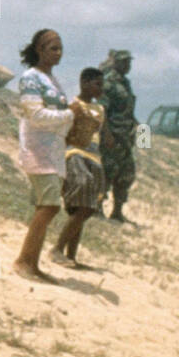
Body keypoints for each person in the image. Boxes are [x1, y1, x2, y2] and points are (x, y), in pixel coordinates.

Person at [13, 30, 70, 282]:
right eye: (52, 48)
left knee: (45, 206)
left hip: (54, 150)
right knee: (49, 206)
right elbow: (35, 115)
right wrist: (69, 116)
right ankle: (24, 261)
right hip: (37, 149)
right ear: (39, 49)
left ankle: (32, 262)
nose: (58, 53)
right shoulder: (30, 78)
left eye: (60, 49)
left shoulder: (52, 79)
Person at [56, 68, 106, 268]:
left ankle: (71, 256)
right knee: (83, 204)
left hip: (95, 158)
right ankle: (57, 249)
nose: (101, 89)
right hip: (75, 154)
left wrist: (141, 136)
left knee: (85, 206)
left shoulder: (101, 109)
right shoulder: (74, 106)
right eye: (98, 85)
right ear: (84, 83)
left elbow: (106, 136)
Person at [98, 49, 138, 222]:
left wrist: (137, 127)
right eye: (124, 62)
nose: (127, 65)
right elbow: (102, 111)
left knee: (126, 174)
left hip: (125, 138)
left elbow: (128, 110)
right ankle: (97, 208)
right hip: (112, 136)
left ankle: (117, 211)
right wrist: (107, 135)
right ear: (116, 62)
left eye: (129, 62)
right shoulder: (108, 83)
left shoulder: (126, 83)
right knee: (107, 172)